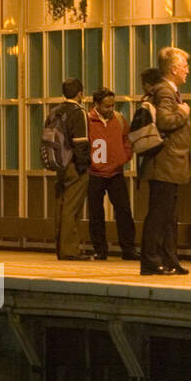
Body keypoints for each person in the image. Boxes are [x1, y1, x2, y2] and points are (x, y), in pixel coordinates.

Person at [140, 49, 191, 276]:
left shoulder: (169, 91)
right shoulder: (165, 92)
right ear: (173, 69)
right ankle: (151, 260)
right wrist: (183, 112)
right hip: (165, 163)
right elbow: (164, 120)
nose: (188, 70)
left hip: (171, 163)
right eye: (184, 67)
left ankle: (170, 259)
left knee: (170, 216)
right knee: (159, 214)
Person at [86, 87, 139, 260]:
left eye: (112, 105)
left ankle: (128, 248)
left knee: (123, 210)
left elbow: (127, 139)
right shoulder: (88, 120)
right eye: (107, 106)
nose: (110, 109)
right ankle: (100, 250)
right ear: (97, 105)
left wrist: (125, 157)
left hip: (115, 172)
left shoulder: (119, 119)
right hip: (94, 173)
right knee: (96, 213)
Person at [53, 78, 92, 261]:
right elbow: (80, 143)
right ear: (80, 93)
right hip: (74, 165)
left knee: (61, 205)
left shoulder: (55, 112)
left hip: (59, 164)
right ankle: (70, 250)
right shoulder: (78, 112)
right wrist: (83, 166)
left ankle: (60, 247)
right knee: (72, 208)